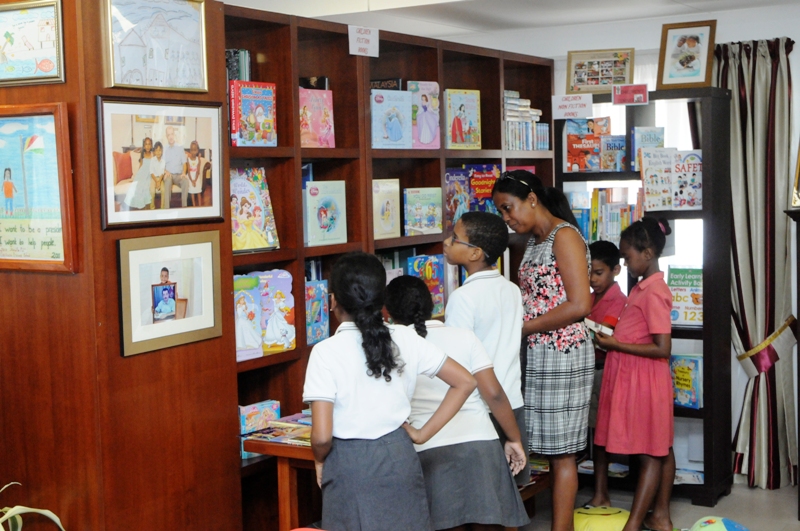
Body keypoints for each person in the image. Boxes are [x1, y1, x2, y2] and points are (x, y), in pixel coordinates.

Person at [303, 252, 476, 531]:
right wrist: (422, 434)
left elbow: (322, 436)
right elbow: (465, 381)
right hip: (399, 455)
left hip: (348, 463)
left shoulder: (325, 352)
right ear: (381, 299)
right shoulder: (406, 337)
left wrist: (320, 460)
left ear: (333, 300)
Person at [385, 275, 529, 531]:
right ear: (433, 304)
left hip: (429, 452)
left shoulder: (391, 344)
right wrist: (514, 439)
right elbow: (494, 394)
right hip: (480, 446)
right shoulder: (463, 336)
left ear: (387, 312)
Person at [491, 169, 593, 531]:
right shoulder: (534, 239)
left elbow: (580, 304)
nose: (507, 218)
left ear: (531, 199)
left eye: (509, 208)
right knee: (539, 444)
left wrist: (523, 328)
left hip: (563, 353)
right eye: (501, 212)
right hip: (537, 351)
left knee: (562, 452)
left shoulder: (563, 236)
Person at [594, 217, 675, 531]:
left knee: (652, 452)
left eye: (627, 257)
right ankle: (661, 517)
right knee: (660, 447)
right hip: (636, 377)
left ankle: (635, 523)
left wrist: (616, 344)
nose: (625, 264)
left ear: (649, 252)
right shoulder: (643, 288)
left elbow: (661, 348)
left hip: (645, 379)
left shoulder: (654, 291)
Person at [442, 211, 530, 486]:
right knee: (510, 491)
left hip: (481, 409)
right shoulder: (512, 290)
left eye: (455, 238)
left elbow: (458, 363)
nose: (447, 242)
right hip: (512, 402)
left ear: (475, 253)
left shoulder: (463, 298)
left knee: (481, 494)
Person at [584, 240, 628, 508]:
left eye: (598, 273)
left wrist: (576, 321)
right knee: (593, 434)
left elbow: (603, 336)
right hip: (589, 369)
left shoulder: (618, 300)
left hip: (605, 370)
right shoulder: (588, 297)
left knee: (600, 436)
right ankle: (599, 491)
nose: (592, 279)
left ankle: (602, 493)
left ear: (616, 270)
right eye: (588, 272)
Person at [122, 137, 154, 210]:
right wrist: (135, 177)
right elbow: (141, 166)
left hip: (148, 174)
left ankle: (143, 204)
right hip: (141, 173)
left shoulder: (153, 154)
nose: (148, 146)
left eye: (149, 144)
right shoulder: (142, 154)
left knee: (144, 186)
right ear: (144, 146)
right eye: (146, 144)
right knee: (135, 185)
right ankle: (131, 206)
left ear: (151, 145)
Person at [162, 126, 189, 208]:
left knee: (185, 181)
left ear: (174, 135)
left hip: (179, 175)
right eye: (168, 135)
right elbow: (162, 164)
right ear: (166, 136)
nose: (171, 136)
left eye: (172, 134)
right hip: (169, 174)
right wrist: (166, 172)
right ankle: (167, 209)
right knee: (167, 181)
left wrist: (184, 173)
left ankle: (184, 208)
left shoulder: (180, 147)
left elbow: (184, 163)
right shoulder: (164, 149)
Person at [148, 141, 167, 210]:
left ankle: (162, 208)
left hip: (160, 178)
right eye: (156, 150)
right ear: (154, 152)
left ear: (162, 151)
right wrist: (156, 181)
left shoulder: (163, 161)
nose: (158, 152)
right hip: (154, 178)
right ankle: (152, 208)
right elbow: (151, 172)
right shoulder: (152, 160)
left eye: (160, 150)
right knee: (152, 191)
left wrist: (159, 181)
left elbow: (162, 173)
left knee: (163, 190)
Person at [186, 141, 203, 206]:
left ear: (197, 151)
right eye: (192, 150)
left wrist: (195, 180)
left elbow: (198, 171)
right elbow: (188, 171)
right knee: (192, 192)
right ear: (190, 150)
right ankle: (194, 205)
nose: (193, 152)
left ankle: (200, 205)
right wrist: (192, 180)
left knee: (198, 191)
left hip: (196, 177)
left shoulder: (198, 160)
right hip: (190, 177)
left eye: (195, 150)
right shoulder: (188, 159)